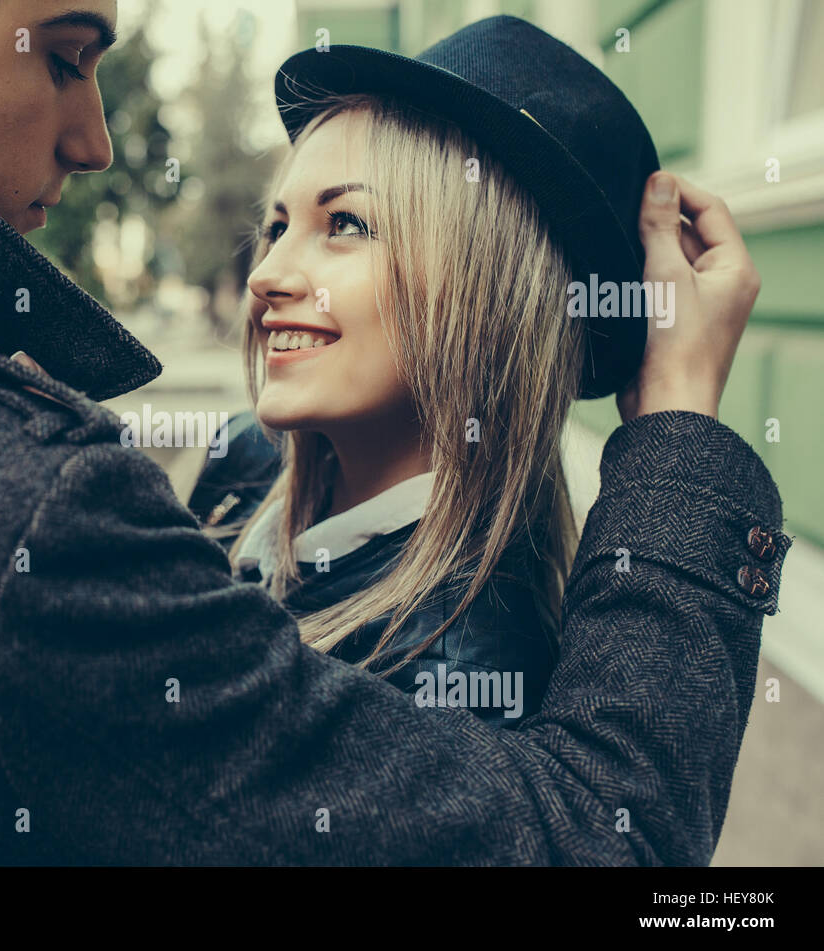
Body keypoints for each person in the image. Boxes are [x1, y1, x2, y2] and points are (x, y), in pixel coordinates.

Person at [0, 3, 787, 865]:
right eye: (67, 54)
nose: (95, 137)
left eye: (346, 225)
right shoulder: (47, 509)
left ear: (488, 289)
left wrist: (675, 425)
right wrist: (675, 426)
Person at [184, 30, 690, 730]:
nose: (266, 276)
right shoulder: (242, 457)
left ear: (491, 298)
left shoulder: (457, 680)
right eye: (277, 228)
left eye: (347, 224)